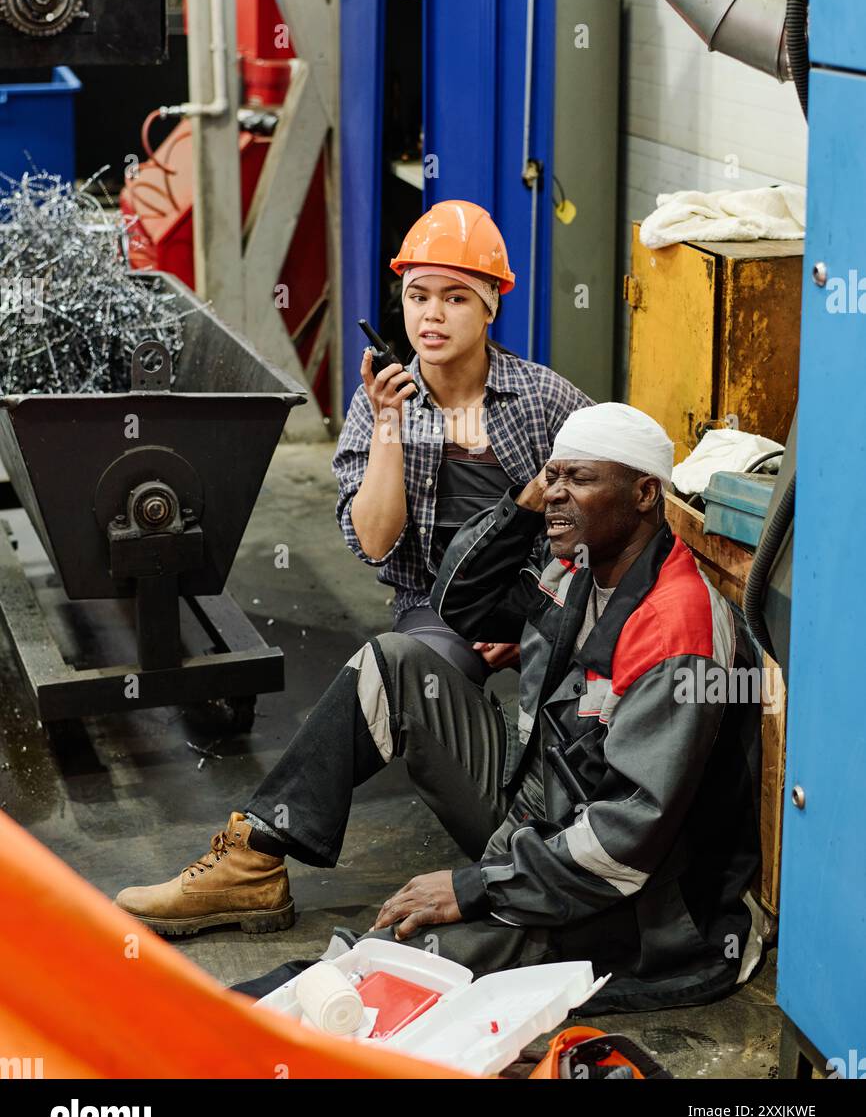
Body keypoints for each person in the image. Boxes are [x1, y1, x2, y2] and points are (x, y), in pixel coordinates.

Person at [115, 403, 762, 1013]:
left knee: (404, 964)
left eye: (580, 479)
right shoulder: (581, 566)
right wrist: (526, 504)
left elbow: (624, 846)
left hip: (628, 900)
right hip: (537, 818)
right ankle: (254, 858)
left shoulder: (678, 631)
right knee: (396, 663)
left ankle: (239, 1024)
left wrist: (476, 887)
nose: (556, 492)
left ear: (646, 494)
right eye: (552, 476)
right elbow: (460, 600)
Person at [334, 198, 592, 682]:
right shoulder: (379, 401)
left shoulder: (542, 397)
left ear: (489, 303)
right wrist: (389, 424)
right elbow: (373, 542)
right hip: (436, 609)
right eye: (419, 296)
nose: (433, 315)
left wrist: (539, 624)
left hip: (539, 597)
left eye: (455, 298)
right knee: (422, 682)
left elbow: (608, 506)